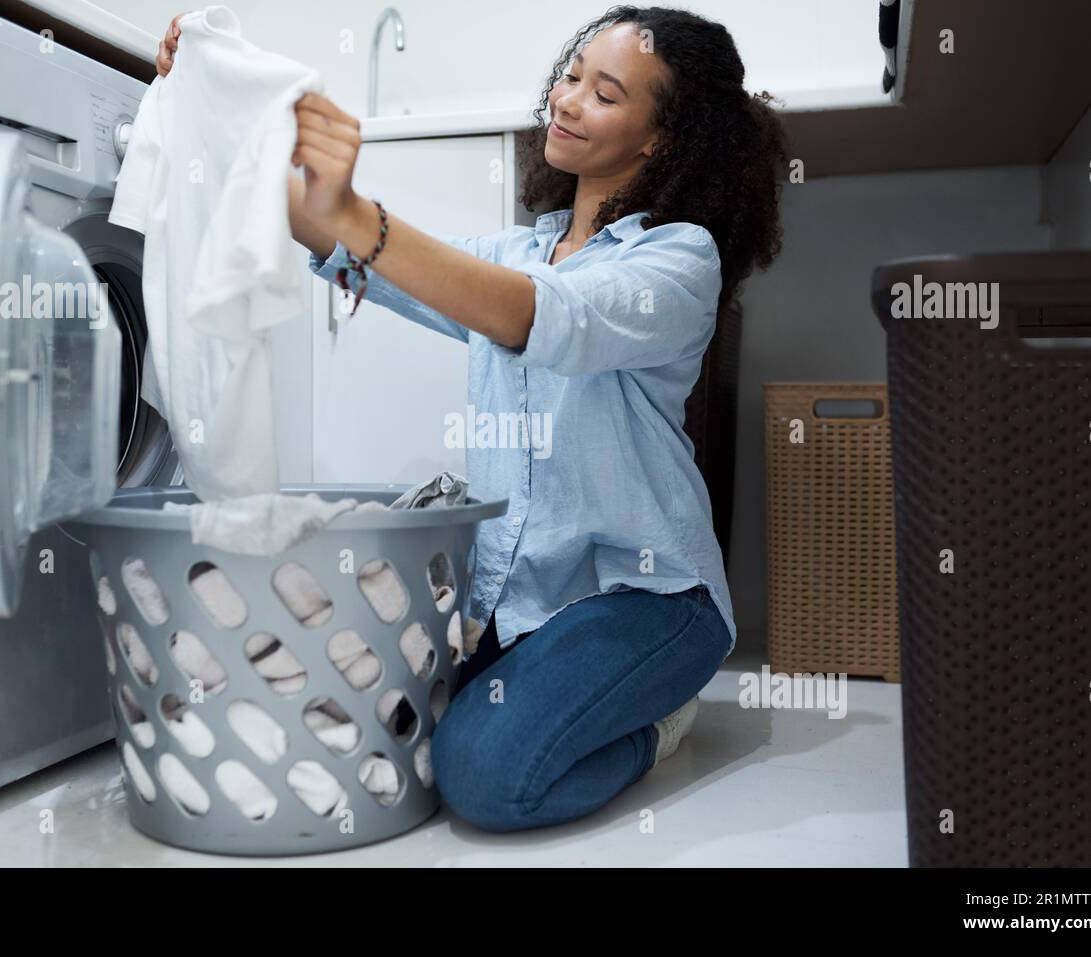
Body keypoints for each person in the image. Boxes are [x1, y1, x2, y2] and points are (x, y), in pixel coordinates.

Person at [155, 4, 787, 833]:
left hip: (646, 595)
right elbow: (351, 247)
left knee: (483, 775)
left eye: (605, 94)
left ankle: (657, 726)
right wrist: (207, 99)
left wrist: (361, 218)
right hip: (520, 597)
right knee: (345, 711)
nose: (567, 101)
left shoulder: (676, 261)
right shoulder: (515, 252)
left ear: (660, 137)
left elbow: (535, 315)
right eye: (570, 77)